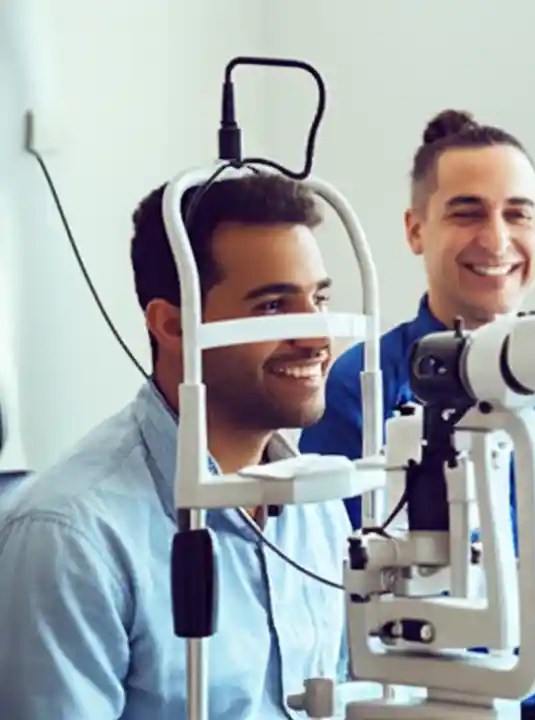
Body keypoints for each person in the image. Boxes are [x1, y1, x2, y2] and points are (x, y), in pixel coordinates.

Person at [298, 109, 535, 719]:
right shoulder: (361, 388)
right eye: (467, 211)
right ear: (416, 230)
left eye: (517, 213)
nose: (497, 240)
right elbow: (321, 592)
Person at [0, 173, 351, 718]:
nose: (317, 337)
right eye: (273, 307)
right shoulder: (70, 537)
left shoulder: (318, 507)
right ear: (172, 324)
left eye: (319, 299)